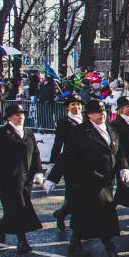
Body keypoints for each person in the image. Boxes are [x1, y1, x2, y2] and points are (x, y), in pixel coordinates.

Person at [44, 100, 129, 257]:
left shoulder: (111, 129)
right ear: (89, 115)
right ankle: (110, 248)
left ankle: (74, 242)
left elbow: (119, 152)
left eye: (103, 111)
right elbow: (67, 155)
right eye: (97, 112)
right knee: (103, 214)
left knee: (86, 215)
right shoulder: (80, 132)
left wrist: (124, 167)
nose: (101, 114)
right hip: (87, 179)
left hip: (106, 180)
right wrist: (53, 177)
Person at [0, 103, 44, 253]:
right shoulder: (2, 132)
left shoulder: (28, 132)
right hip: (9, 177)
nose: (21, 117)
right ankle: (22, 240)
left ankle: (2, 225)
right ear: (9, 117)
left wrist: (38, 171)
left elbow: (35, 154)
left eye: (22, 114)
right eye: (17, 115)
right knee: (19, 207)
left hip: (26, 178)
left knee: (17, 207)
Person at [49, 94, 84, 231]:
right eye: (73, 104)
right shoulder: (64, 122)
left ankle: (62, 213)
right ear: (67, 107)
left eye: (78, 104)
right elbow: (58, 143)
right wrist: (53, 162)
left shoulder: (86, 119)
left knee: (84, 193)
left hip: (86, 162)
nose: (76, 107)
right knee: (72, 194)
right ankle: (65, 216)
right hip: (71, 163)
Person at [110, 96, 129, 235]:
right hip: (124, 162)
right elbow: (117, 145)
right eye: (127, 106)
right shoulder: (115, 124)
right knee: (126, 188)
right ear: (121, 109)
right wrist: (122, 165)